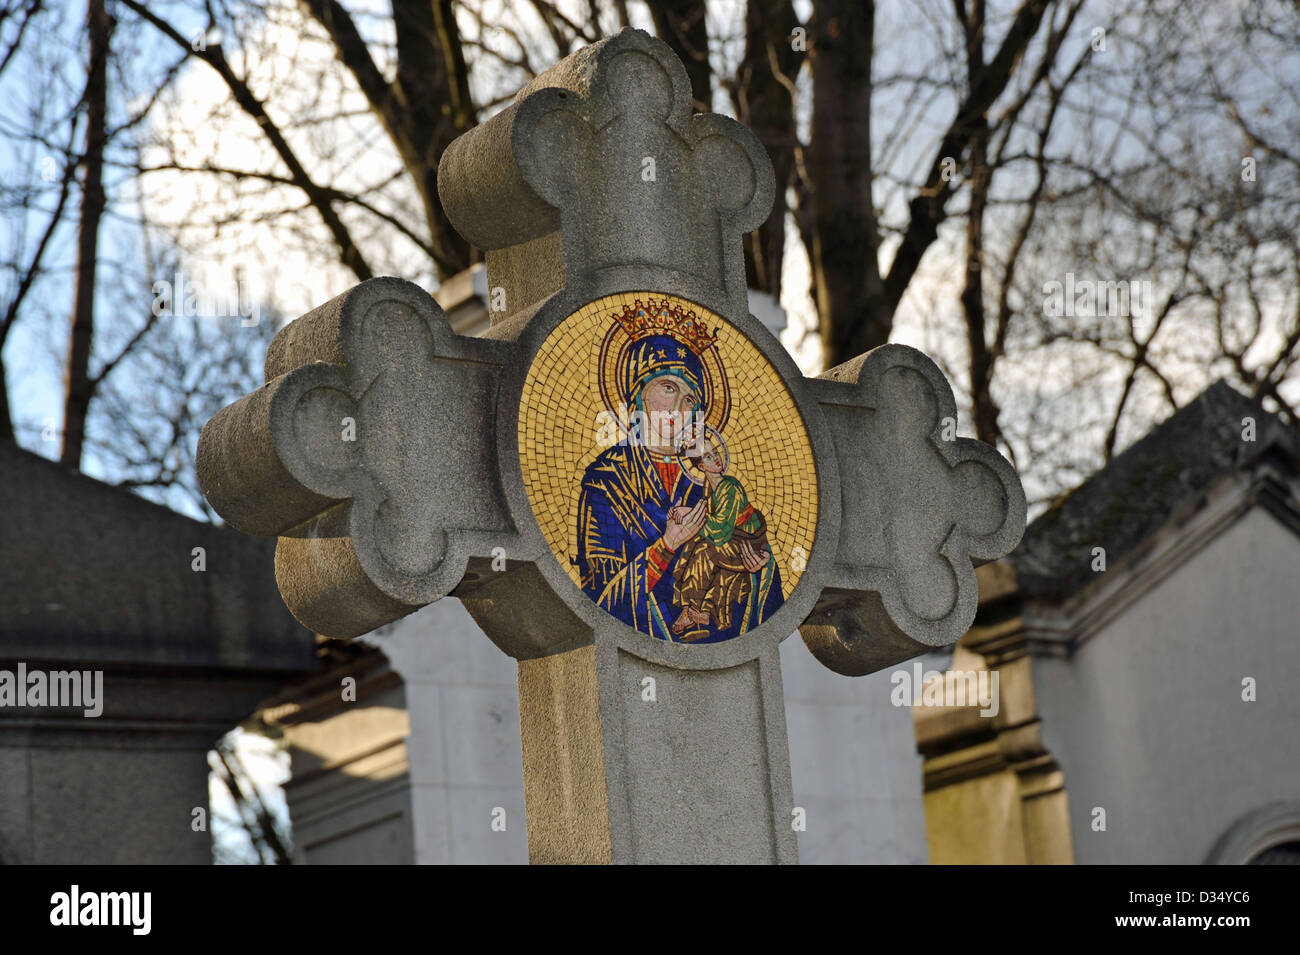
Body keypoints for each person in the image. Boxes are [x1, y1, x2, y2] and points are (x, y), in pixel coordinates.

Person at [575, 332, 780, 643]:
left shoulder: (710, 481)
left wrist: (758, 569)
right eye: (667, 387)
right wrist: (666, 546)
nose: (677, 407)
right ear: (639, 393)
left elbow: (748, 552)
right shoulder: (607, 479)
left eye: (689, 399)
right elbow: (597, 598)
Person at [669, 430, 770, 641]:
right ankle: (703, 613)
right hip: (735, 543)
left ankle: (691, 610)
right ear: (700, 467)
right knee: (694, 546)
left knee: (705, 550)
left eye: (714, 452)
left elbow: (721, 532)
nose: (716, 458)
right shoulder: (710, 487)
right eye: (708, 456)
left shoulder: (729, 487)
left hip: (746, 544)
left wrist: (689, 515)